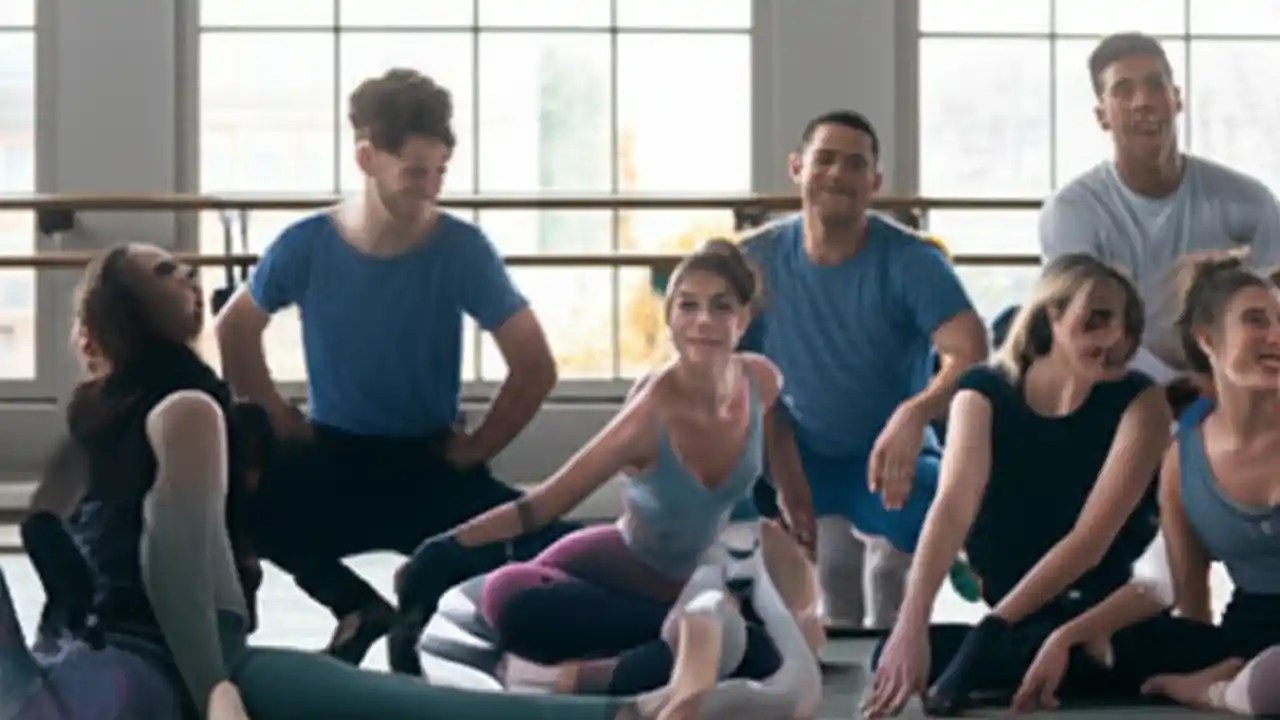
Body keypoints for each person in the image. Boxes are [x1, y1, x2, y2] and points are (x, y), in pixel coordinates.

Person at [0, 242, 700, 720]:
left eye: (181, 267)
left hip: (138, 657)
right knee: (402, 705)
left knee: (397, 704)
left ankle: (634, 708)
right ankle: (633, 707)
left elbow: (62, 533)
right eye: (163, 273)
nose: (186, 277)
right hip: (149, 661)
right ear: (123, 309)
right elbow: (168, 555)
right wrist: (212, 689)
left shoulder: (106, 413)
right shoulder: (181, 407)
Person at [214, 67, 575, 665]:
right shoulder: (306, 244)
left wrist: (476, 448)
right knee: (240, 509)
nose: (429, 188)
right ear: (367, 158)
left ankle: (418, 614)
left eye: (439, 172)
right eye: (414, 172)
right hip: (334, 457)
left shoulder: (462, 249)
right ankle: (357, 607)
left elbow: (535, 365)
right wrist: (277, 417)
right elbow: (235, 326)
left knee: (551, 545)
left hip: (428, 462)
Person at [393, 239, 818, 708]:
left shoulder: (759, 380)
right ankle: (575, 675)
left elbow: (776, 432)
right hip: (613, 568)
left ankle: (586, 670)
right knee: (512, 601)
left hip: (688, 591)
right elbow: (543, 504)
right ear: (670, 319)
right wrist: (446, 547)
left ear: (744, 320)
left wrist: (792, 493)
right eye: (688, 306)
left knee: (751, 652)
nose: (703, 321)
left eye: (721, 308)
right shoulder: (649, 413)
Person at [862, 254, 1175, 717]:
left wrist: (985, 640)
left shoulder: (1142, 403)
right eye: (1098, 318)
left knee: (1156, 648)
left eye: (1126, 325)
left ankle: (1050, 657)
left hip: (1099, 615)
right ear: (1052, 313)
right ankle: (1056, 663)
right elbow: (952, 507)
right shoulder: (982, 392)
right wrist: (912, 621)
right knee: (890, 654)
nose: (1113, 337)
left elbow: (1090, 542)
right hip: (1016, 619)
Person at [737, 110, 988, 632]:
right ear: (797, 167)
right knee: (833, 569)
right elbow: (753, 386)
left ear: (873, 183)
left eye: (855, 164)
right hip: (803, 453)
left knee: (891, 573)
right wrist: (786, 477)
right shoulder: (756, 261)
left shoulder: (912, 261)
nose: (837, 174)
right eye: (824, 159)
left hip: (895, 457)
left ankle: (892, 689)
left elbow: (970, 352)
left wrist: (915, 414)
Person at [1008, 256, 1280, 717]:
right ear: (1206, 339)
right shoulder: (1182, 459)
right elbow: (1180, 587)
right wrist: (1069, 635)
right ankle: (1229, 682)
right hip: (1247, 639)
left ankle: (1219, 691)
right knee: (1072, 652)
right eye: (1257, 321)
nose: (1276, 336)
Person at [1039, 31, 1280, 387]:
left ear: (1177, 99)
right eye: (1123, 90)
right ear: (1102, 115)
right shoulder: (1072, 212)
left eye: (1156, 85)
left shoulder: (1250, 201)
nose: (1143, 102)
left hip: (1234, 390)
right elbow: (1081, 335)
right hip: (1121, 390)